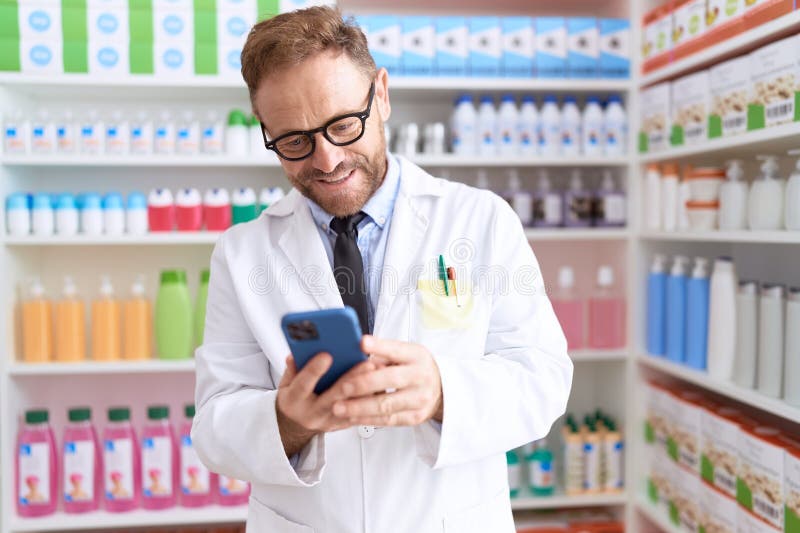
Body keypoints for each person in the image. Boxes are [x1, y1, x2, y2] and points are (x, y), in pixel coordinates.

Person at [191, 6, 573, 532]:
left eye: (344, 125)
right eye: (295, 141)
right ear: (266, 132)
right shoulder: (242, 253)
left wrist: (442, 392)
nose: (327, 160)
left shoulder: (481, 220)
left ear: (382, 95)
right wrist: (288, 421)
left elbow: (545, 378)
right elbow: (213, 427)